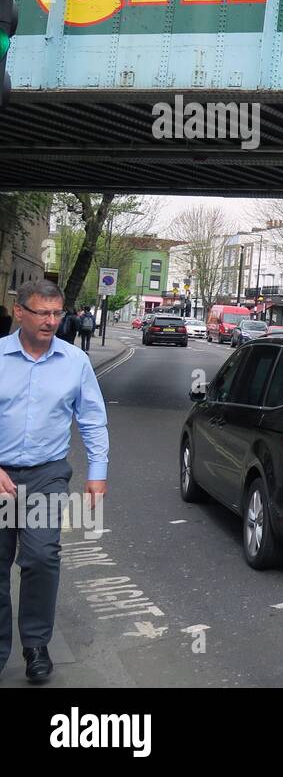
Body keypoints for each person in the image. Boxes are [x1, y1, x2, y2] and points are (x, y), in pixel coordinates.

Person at [0, 280, 109, 683]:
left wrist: (98, 473)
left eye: (56, 313)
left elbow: (93, 419)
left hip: (47, 474)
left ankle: (35, 644)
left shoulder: (74, 361)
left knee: (42, 557)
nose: (50, 321)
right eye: (42, 312)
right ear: (20, 312)